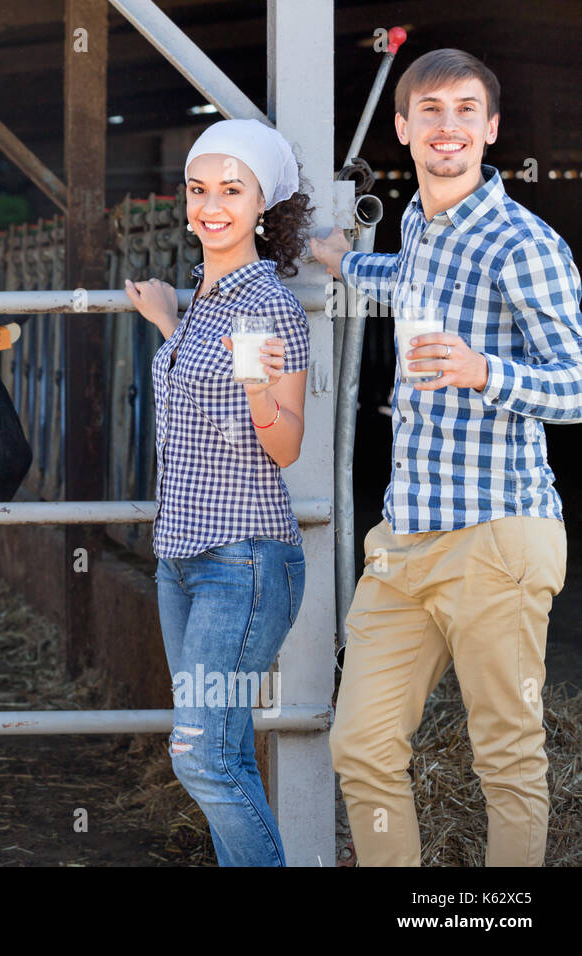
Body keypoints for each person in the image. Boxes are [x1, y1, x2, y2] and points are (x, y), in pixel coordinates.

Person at [311, 48, 582, 867]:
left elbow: (576, 384)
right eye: (430, 111)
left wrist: (484, 371)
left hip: (498, 534)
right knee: (359, 744)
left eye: (467, 110)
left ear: (491, 129)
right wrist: (343, 262)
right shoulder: (420, 227)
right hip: (407, 543)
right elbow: (413, 280)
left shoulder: (524, 244)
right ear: (403, 129)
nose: (448, 125)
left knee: (505, 758)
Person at [126, 118, 314, 866]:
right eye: (200, 190)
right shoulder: (203, 299)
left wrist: (258, 385)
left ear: (261, 205)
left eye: (231, 191)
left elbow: (287, 446)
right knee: (224, 757)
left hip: (241, 562)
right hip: (180, 562)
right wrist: (169, 319)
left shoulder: (272, 308)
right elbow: (195, 379)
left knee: (200, 758)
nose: (212, 206)